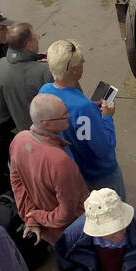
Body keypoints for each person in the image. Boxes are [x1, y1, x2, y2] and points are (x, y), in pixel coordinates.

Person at [39, 38, 123, 196]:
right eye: (81, 62)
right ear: (75, 70)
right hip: (100, 173)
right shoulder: (83, 108)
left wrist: (91, 108)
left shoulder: (45, 91)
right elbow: (104, 148)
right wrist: (106, 117)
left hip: (76, 168)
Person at [9, 92, 89, 246]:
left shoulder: (19, 140)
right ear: (47, 124)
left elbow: (16, 183)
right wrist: (39, 216)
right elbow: (67, 213)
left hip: (50, 233)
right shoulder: (61, 162)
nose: (69, 116)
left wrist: (30, 217)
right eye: (63, 115)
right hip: (74, 232)